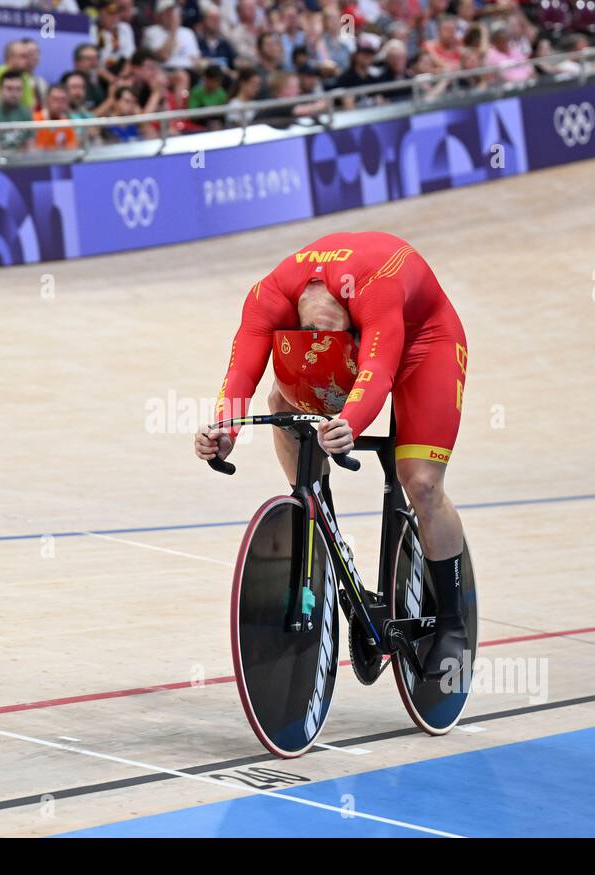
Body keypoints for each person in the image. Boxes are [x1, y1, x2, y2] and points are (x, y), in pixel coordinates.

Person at [194, 231, 471, 677]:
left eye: (341, 330)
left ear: (349, 312)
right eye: (322, 331)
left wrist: (351, 423)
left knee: (420, 480)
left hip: (424, 342)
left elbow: (377, 368)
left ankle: (454, 626)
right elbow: (241, 370)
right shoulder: (269, 295)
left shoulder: (375, 287)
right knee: (282, 406)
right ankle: (316, 510)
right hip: (357, 336)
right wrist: (223, 430)